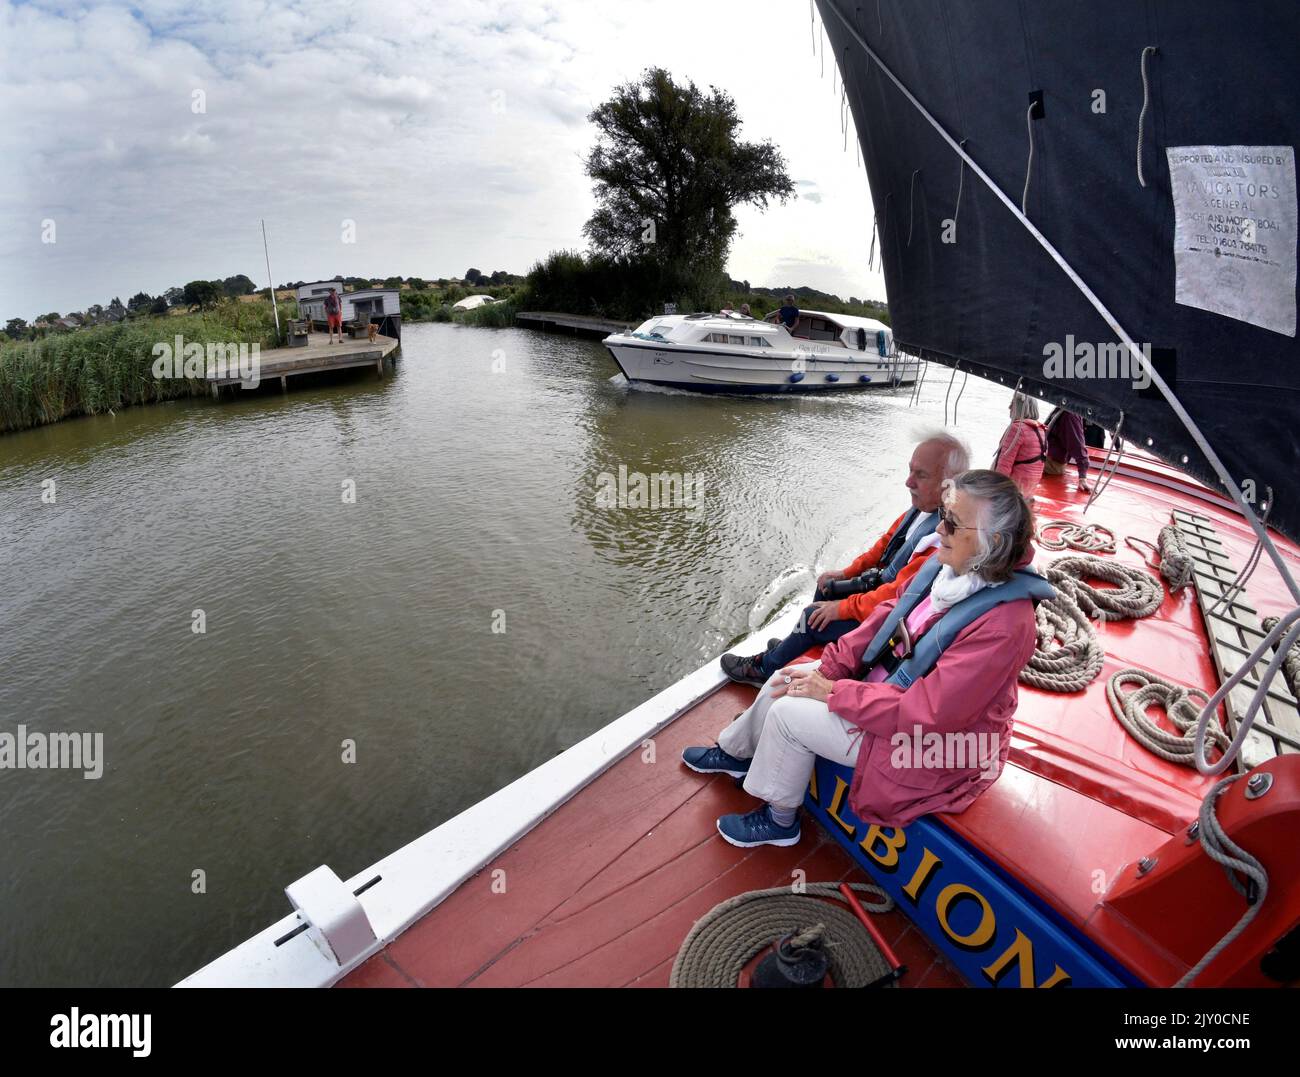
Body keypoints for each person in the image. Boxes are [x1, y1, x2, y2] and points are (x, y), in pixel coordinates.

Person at [684, 470, 1050, 847]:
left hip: (929, 744)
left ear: (996, 541)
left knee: (788, 715)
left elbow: (931, 714)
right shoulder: (950, 570)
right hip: (885, 694)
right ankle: (737, 753)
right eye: (943, 515)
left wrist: (834, 694)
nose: (940, 530)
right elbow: (883, 620)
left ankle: (780, 822)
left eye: (953, 524)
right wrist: (830, 671)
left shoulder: (1005, 626)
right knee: (785, 679)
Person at [720, 431, 970, 686]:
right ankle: (795, 646)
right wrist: (846, 573)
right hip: (879, 598)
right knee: (826, 588)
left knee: (811, 617)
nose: (908, 482)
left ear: (948, 484)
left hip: (889, 625)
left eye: (921, 475)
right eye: (910, 471)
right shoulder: (921, 510)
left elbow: (898, 597)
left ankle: (763, 668)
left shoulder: (943, 540)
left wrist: (841, 608)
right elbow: (883, 546)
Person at [992, 392, 1048, 499]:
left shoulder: (1016, 429)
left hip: (1012, 492)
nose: (1009, 407)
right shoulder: (1042, 430)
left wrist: (995, 492)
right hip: (1028, 491)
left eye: (1012, 403)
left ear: (1020, 407)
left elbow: (1004, 465)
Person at [1043, 406, 1091, 493]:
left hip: (1051, 464)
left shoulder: (1070, 415)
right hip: (1048, 461)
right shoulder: (1062, 409)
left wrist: (1082, 477)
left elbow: (1078, 446)